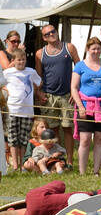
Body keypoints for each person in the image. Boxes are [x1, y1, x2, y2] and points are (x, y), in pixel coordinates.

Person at [70, 35, 101, 175]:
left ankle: (96, 171)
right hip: (85, 105)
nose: (96, 51)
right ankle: (82, 172)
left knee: (100, 138)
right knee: (84, 139)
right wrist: (80, 106)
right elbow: (74, 87)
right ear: (87, 49)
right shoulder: (80, 66)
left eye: (98, 49)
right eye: (93, 49)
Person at [34, 23, 78, 159]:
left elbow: (79, 69)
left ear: (56, 32)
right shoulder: (40, 53)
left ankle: (69, 162)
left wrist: (75, 91)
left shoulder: (69, 47)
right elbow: (38, 76)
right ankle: (57, 159)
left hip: (67, 95)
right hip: (49, 96)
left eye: (53, 31)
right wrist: (39, 93)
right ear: (44, 38)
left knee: (67, 129)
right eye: (47, 34)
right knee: (52, 130)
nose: (51, 34)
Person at [2, 46, 41, 171]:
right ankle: (15, 165)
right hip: (13, 110)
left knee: (23, 139)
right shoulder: (7, 73)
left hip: (27, 111)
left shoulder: (31, 71)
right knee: (13, 139)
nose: (22, 62)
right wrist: (6, 89)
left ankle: (23, 164)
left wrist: (36, 91)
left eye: (23, 59)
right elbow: (1, 84)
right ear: (13, 60)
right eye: (19, 60)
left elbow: (39, 82)